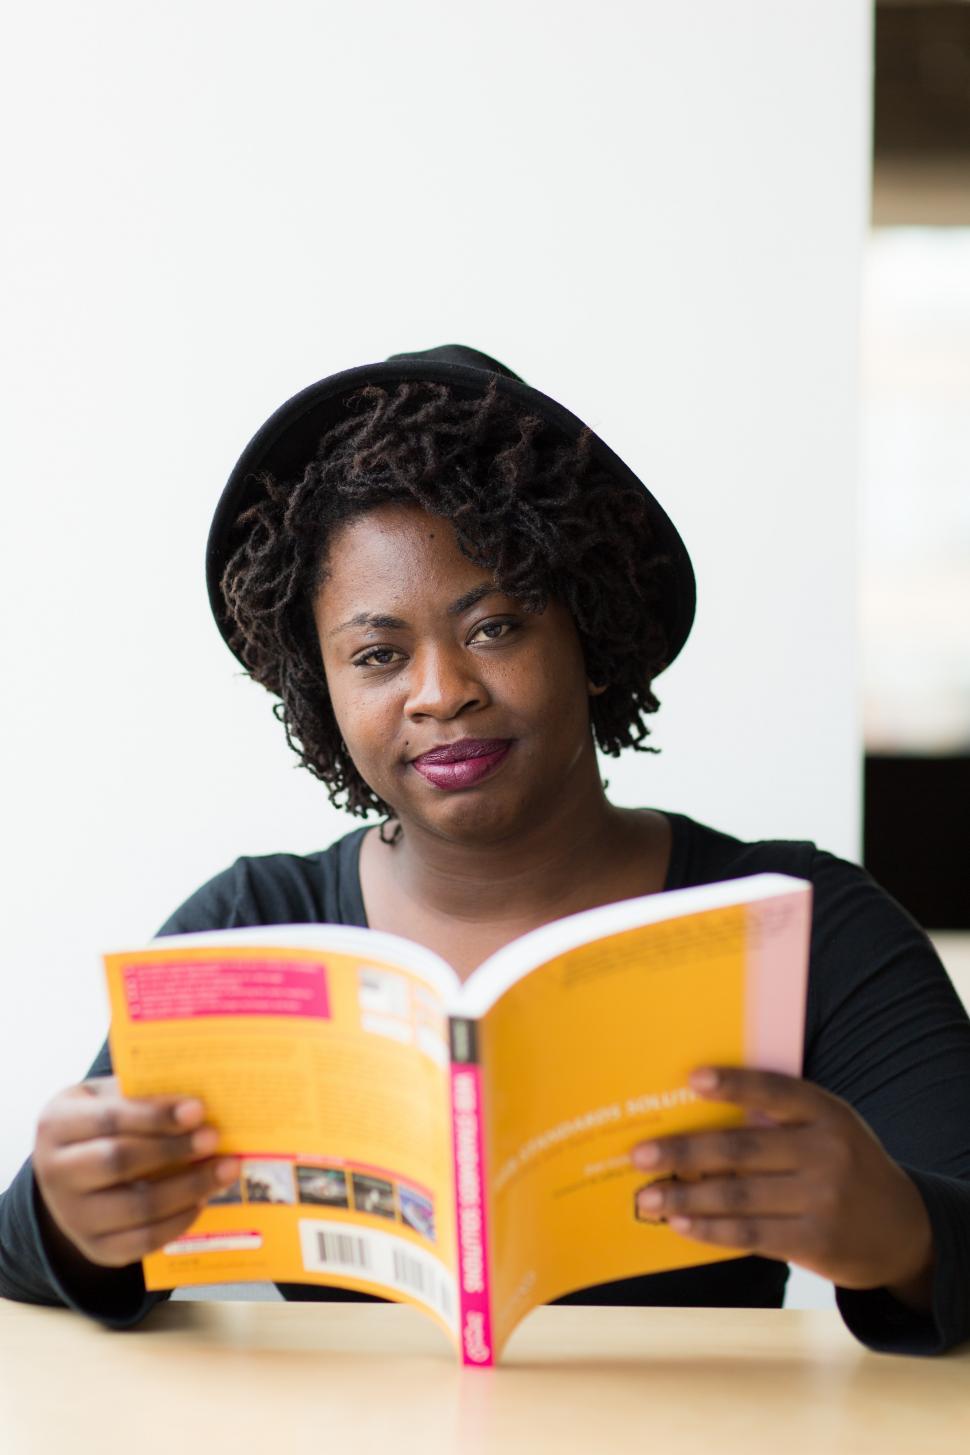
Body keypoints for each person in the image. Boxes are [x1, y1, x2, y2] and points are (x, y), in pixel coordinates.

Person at [2, 344, 969, 1354]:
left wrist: (899, 1230)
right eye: (378, 655)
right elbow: (19, 1251)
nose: (440, 692)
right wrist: (74, 1216)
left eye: (496, 627)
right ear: (324, 694)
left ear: (591, 637)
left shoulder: (804, 925)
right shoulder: (250, 932)